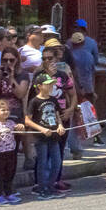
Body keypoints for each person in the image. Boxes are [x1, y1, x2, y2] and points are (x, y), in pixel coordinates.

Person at [39, 40, 77, 191]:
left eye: (50, 58)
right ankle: (42, 182)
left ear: (56, 59)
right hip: (45, 117)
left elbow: (72, 94)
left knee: (60, 148)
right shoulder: (39, 76)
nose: (47, 61)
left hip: (62, 114)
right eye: (44, 58)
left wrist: (70, 109)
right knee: (45, 151)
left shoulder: (62, 75)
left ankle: (57, 178)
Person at [25, 72, 66, 200]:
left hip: (54, 136)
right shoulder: (34, 101)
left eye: (51, 85)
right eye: (47, 85)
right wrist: (41, 129)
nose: (50, 87)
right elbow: (27, 120)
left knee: (57, 162)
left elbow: (57, 115)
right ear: (39, 86)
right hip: (41, 137)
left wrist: (60, 126)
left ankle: (50, 185)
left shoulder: (53, 100)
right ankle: (42, 187)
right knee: (42, 162)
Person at [65, 22, 101, 148]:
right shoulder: (89, 53)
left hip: (73, 87)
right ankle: (95, 136)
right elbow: (94, 64)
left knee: (74, 114)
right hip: (87, 86)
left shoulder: (68, 49)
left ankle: (75, 141)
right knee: (90, 112)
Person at [0, 99, 23, 205]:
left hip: (10, 151)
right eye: (3, 110)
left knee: (9, 173)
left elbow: (19, 131)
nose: (6, 112)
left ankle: (9, 193)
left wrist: (21, 127)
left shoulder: (11, 123)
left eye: (7, 110)